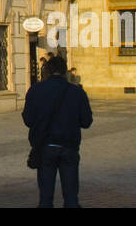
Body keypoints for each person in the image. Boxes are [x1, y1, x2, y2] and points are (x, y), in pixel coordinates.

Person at [22, 53, 94, 207]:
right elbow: (87, 122)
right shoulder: (77, 92)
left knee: (46, 198)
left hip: (45, 147)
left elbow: (28, 120)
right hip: (69, 147)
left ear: (46, 71)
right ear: (65, 72)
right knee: (71, 197)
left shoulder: (35, 90)